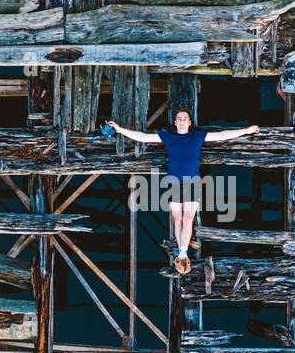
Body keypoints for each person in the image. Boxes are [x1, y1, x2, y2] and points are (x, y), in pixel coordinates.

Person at [109, 109, 259, 274]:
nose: (181, 121)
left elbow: (222, 135)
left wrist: (247, 130)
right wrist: (120, 129)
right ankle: (182, 252)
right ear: (175, 122)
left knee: (187, 219)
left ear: (189, 122)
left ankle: (182, 252)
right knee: (177, 219)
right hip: (173, 182)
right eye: (178, 118)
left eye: (184, 118)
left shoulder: (197, 136)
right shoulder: (168, 137)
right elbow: (144, 137)